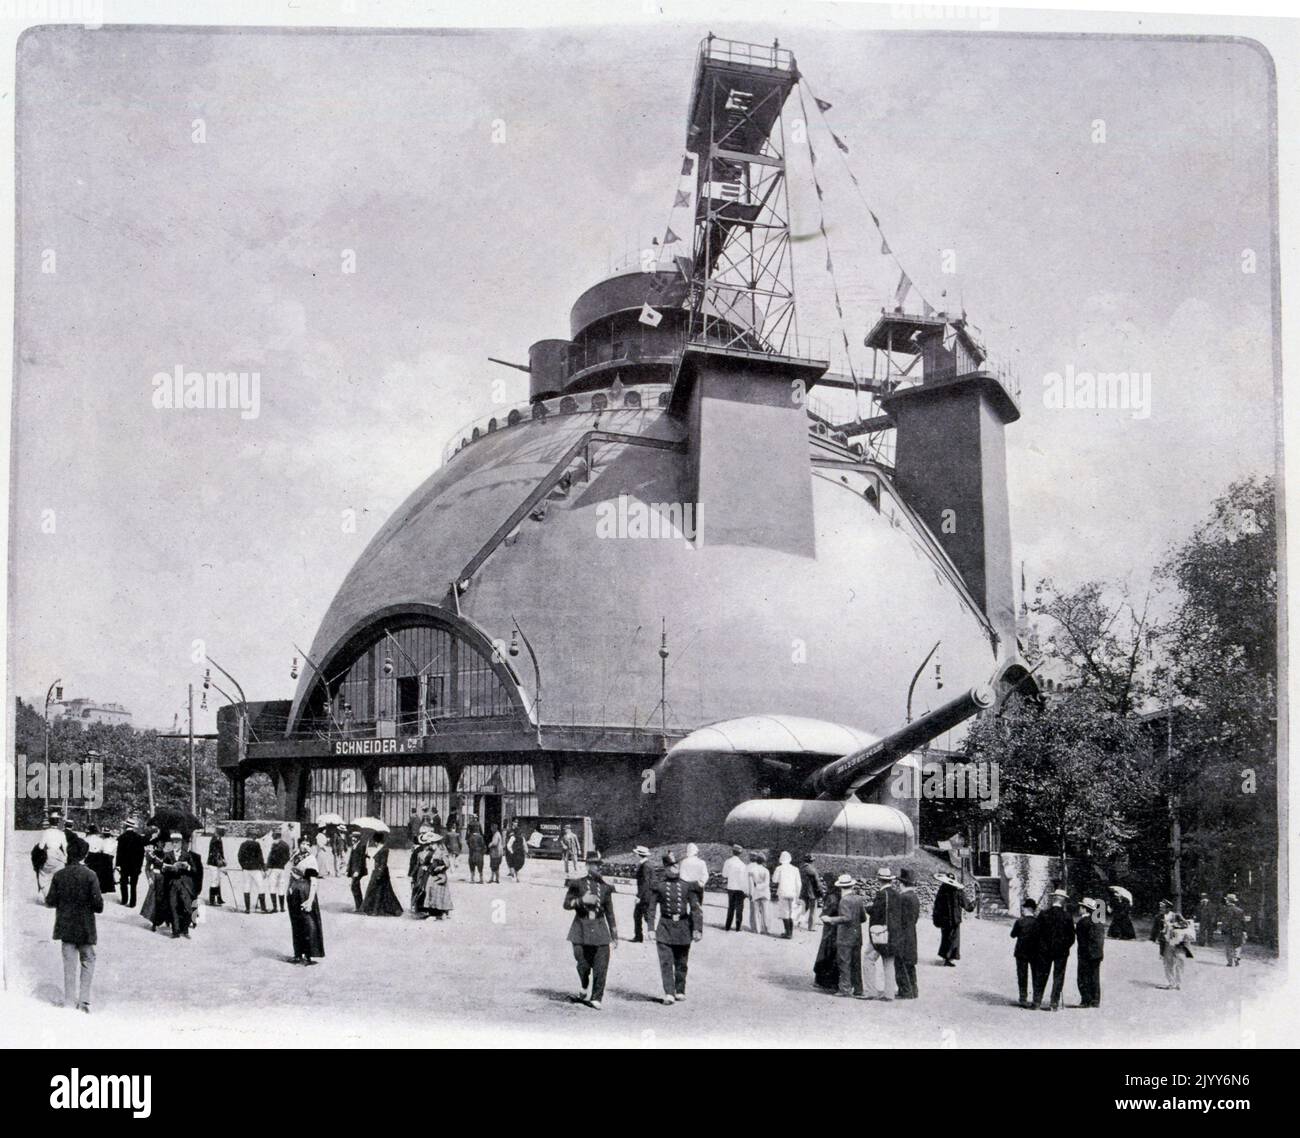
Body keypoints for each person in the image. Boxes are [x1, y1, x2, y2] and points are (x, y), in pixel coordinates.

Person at [44, 837, 103, 1012]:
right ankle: (83, 1001)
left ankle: (69, 1001)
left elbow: (50, 901)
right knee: (88, 960)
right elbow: (98, 906)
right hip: (85, 928)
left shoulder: (59, 875)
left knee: (69, 965)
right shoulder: (91, 875)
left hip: (66, 927)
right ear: (84, 855)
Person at [644, 854, 704, 1003]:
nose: (674, 868)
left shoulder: (687, 886)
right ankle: (669, 993)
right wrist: (650, 928)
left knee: (682, 962)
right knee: (665, 962)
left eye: (676, 865)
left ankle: (680, 990)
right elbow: (651, 909)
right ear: (665, 868)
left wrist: (698, 928)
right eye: (671, 866)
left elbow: (696, 909)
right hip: (665, 927)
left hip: (683, 927)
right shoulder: (659, 886)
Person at [564, 850, 617, 1009]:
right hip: (580, 927)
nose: (598, 868)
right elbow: (566, 904)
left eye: (600, 865)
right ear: (587, 866)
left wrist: (614, 934)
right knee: (582, 963)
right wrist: (581, 900)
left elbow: (609, 912)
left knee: (601, 965)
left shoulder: (606, 888)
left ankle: (596, 997)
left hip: (600, 928)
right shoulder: (577, 884)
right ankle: (584, 983)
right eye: (595, 865)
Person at [822, 874, 867, 998]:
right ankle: (858, 989)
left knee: (844, 963)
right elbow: (863, 918)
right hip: (857, 936)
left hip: (844, 937)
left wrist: (830, 919)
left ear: (841, 887)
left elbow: (846, 918)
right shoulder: (858, 899)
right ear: (852, 886)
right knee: (856, 964)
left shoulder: (844, 900)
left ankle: (845, 989)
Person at [1034, 889, 1076, 1011]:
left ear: (1053, 899)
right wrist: (1064, 947)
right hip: (1061, 952)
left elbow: (1036, 934)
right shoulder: (1067, 916)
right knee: (1058, 977)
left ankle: (1036, 1002)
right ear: (1063, 902)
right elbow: (1071, 937)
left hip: (1044, 951)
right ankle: (1054, 1003)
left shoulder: (1043, 914)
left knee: (1041, 975)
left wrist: (1041, 947)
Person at [286, 835, 324, 965]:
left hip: (305, 892)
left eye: (308, 844)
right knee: (295, 923)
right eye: (303, 843)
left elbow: (314, 881)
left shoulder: (311, 859)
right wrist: (289, 888)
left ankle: (308, 956)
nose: (305, 846)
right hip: (294, 892)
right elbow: (290, 874)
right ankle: (297, 954)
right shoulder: (295, 857)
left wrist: (310, 900)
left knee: (308, 924)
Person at [866, 866, 898, 1001]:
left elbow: (876, 912)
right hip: (893, 933)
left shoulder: (881, 895)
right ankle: (889, 993)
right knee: (889, 962)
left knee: (868, 959)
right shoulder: (896, 894)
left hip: (879, 934)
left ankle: (870, 991)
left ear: (879, 880)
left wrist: (868, 908)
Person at [162, 833, 201, 939]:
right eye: (173, 842)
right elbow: (163, 869)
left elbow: (194, 870)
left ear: (181, 843)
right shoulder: (167, 855)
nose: (174, 844)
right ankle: (176, 932)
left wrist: (187, 866)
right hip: (172, 883)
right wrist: (166, 868)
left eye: (177, 842)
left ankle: (185, 929)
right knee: (173, 906)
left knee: (188, 908)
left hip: (184, 884)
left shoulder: (187, 855)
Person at [932, 871, 973, 965]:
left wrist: (936, 919)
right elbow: (967, 906)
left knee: (945, 937)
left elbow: (937, 905)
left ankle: (945, 956)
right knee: (953, 939)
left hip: (944, 919)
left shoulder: (942, 889)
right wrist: (973, 903)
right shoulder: (958, 891)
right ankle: (948, 959)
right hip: (954, 920)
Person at [893, 867, 922, 999]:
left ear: (902, 884)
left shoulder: (902, 897)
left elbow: (896, 918)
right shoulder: (915, 898)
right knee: (910, 963)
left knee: (900, 963)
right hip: (912, 933)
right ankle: (913, 990)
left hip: (901, 934)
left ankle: (905, 991)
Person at [1010, 898, 1044, 1008]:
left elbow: (1013, 935)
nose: (1023, 909)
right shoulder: (1038, 922)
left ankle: (1023, 998)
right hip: (1035, 952)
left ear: (1028, 908)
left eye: (1024, 907)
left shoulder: (1020, 921)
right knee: (1036, 976)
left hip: (1021, 952)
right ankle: (1035, 999)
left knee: (1022, 975)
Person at [360, 832, 404, 916]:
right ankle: (389, 909)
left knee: (378, 891)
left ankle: (375, 910)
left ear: (377, 841)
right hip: (379, 871)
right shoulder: (381, 848)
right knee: (383, 891)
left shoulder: (384, 849)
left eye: (375, 841)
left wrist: (379, 874)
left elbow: (383, 863)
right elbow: (377, 859)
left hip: (381, 873)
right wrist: (368, 856)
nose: (375, 843)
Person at [1075, 898, 1106, 1007]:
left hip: (1085, 954)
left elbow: (1081, 940)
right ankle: (1095, 1000)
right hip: (1097, 954)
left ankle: (1086, 1000)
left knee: (1083, 977)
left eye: (1081, 907)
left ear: (1084, 909)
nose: (1079, 909)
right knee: (1094, 977)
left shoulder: (1082, 922)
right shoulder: (1098, 921)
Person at [813, 877, 842, 990]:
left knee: (825, 953)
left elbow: (826, 912)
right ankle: (833, 980)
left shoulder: (831, 897)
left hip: (829, 928)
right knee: (833, 954)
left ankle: (822, 981)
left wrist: (823, 915)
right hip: (837, 928)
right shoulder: (839, 895)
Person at [34, 810, 68, 898]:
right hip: (59, 857)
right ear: (58, 822)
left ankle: (47, 897)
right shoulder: (62, 833)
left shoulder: (46, 832)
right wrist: (65, 858)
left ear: (50, 821)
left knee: (44, 876)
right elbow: (65, 848)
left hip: (48, 855)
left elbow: (41, 847)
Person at [114, 817, 146, 907]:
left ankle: (124, 900)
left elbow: (119, 853)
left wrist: (118, 864)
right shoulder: (139, 838)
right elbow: (141, 854)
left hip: (124, 865)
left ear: (126, 826)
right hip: (135, 865)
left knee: (123, 882)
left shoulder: (122, 838)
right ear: (133, 827)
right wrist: (139, 866)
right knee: (133, 884)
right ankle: (133, 903)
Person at [237, 830, 269, 914]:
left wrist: (243, 866)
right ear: (253, 836)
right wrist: (264, 869)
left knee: (246, 887)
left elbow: (239, 857)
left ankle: (247, 909)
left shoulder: (243, 844)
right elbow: (260, 858)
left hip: (246, 869)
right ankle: (263, 908)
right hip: (255, 869)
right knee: (261, 886)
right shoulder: (256, 844)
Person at [772, 851, 801, 939]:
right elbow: (799, 883)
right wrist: (798, 895)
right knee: (791, 913)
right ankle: (791, 933)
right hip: (793, 893)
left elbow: (774, 880)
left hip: (783, 892)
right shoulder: (795, 869)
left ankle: (787, 932)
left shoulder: (779, 868)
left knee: (785, 913)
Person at [424, 835, 454, 919]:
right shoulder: (432, 852)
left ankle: (439, 913)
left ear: (436, 844)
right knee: (431, 892)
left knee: (439, 893)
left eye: (433, 843)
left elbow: (447, 864)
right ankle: (435, 911)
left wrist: (441, 868)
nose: (431, 845)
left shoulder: (442, 852)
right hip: (433, 874)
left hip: (439, 875)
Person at [1161, 913, 1192, 989]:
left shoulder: (1169, 926)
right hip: (1181, 947)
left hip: (1170, 945)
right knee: (1180, 965)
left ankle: (1172, 983)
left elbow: (1163, 936)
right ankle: (1178, 983)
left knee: (1169, 964)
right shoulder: (1187, 926)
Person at [631, 845, 655, 942]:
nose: (635, 855)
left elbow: (645, 882)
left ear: (639, 855)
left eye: (636, 854)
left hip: (645, 896)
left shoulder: (645, 866)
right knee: (640, 915)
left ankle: (646, 935)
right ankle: (640, 936)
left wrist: (639, 896)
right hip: (647, 895)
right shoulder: (646, 864)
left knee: (644, 916)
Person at [722, 843, 748, 931]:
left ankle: (727, 926)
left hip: (731, 887)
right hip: (740, 888)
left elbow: (724, 874)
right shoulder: (743, 865)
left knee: (731, 907)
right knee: (739, 908)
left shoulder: (728, 862)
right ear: (740, 853)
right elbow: (744, 879)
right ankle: (738, 927)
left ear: (732, 852)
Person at [85, 826, 116, 896]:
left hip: (88, 857)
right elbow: (102, 849)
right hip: (97, 858)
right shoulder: (100, 840)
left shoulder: (86, 839)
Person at [266, 829, 292, 912]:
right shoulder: (285, 845)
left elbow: (271, 858)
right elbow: (288, 857)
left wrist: (268, 868)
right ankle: (282, 907)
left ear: (275, 836)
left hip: (274, 869)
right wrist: (283, 864)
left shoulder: (274, 845)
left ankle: (275, 907)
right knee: (281, 888)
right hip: (282, 869)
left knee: (272, 887)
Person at [799, 855, 825, 931]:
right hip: (812, 893)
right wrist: (821, 892)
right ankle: (811, 927)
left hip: (803, 891)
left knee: (803, 908)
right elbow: (817, 883)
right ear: (811, 861)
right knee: (813, 910)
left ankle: (797, 921)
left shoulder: (801, 869)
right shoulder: (812, 870)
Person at [747, 853, 772, 936]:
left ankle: (756, 929)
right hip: (765, 893)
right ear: (763, 861)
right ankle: (766, 928)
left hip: (755, 893)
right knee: (766, 911)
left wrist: (751, 892)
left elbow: (750, 883)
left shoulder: (752, 870)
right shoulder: (766, 871)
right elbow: (767, 883)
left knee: (755, 912)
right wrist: (761, 886)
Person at [1220, 894, 1246, 967]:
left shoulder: (1224, 910)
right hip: (1238, 930)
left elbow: (1224, 921)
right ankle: (1237, 957)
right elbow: (1243, 922)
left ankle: (1230, 962)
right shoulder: (1240, 910)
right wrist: (1244, 931)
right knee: (1237, 945)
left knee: (1228, 946)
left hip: (1227, 931)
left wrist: (1222, 929)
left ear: (1228, 901)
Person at [345, 828, 368, 911]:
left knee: (354, 887)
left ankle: (359, 906)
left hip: (357, 871)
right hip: (354, 870)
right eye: (352, 837)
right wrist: (348, 869)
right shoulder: (355, 846)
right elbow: (351, 859)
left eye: (354, 837)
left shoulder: (361, 846)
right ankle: (360, 905)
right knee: (355, 887)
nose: (352, 839)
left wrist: (357, 871)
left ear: (358, 838)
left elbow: (360, 860)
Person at [206, 825, 228, 906]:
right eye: (223, 831)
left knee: (218, 881)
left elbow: (220, 853)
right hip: (213, 863)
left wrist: (223, 859)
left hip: (216, 863)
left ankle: (219, 899)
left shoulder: (218, 839)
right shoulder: (215, 840)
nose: (224, 833)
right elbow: (216, 855)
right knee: (214, 881)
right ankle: (212, 900)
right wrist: (222, 866)